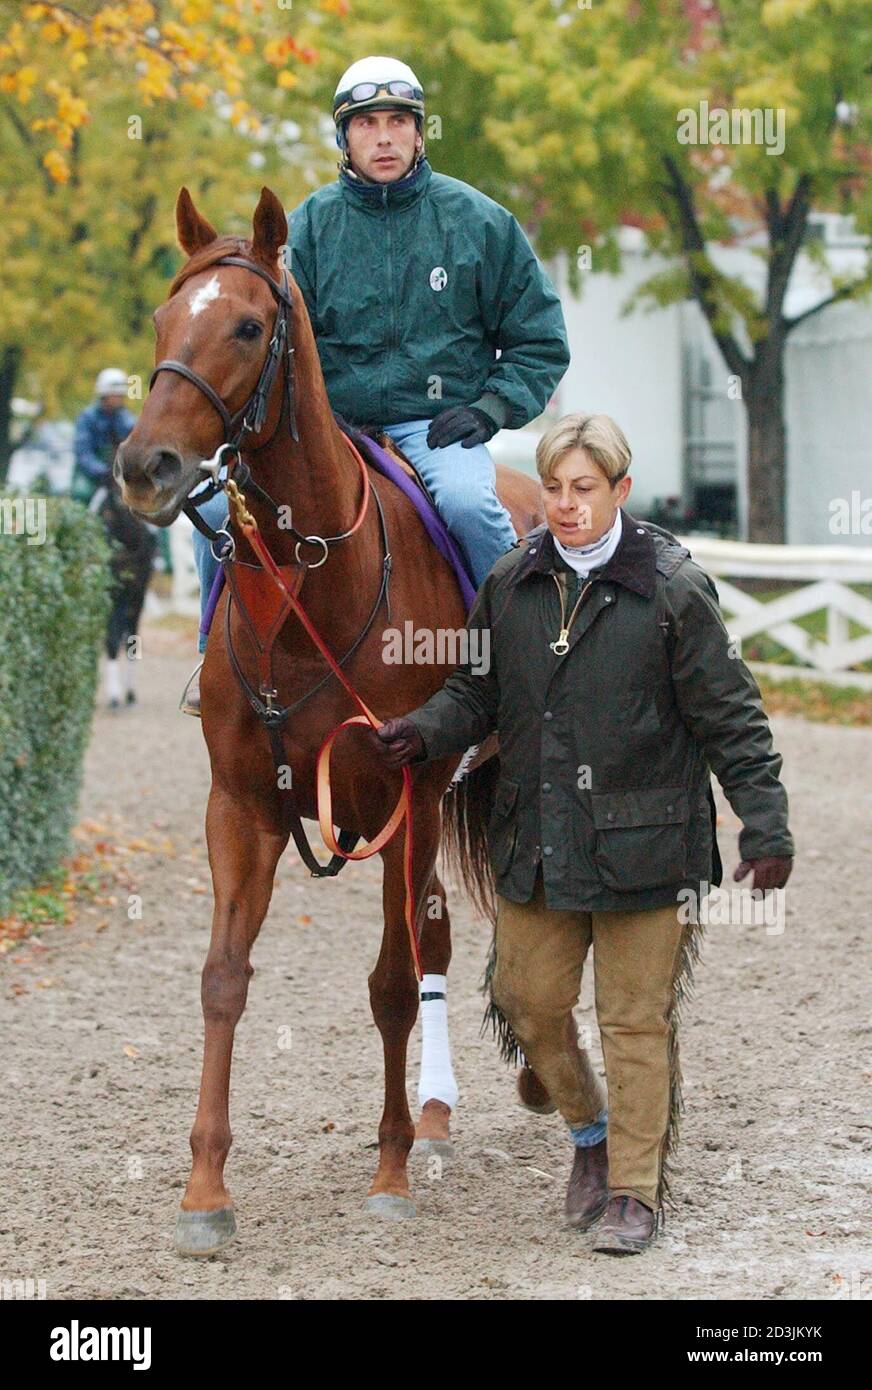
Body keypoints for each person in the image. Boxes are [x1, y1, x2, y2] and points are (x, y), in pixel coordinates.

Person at [371, 411, 794, 1255]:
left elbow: (732, 717)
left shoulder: (673, 590)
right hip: (540, 839)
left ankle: (634, 1194)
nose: (565, 506)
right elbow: (475, 695)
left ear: (620, 491)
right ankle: (590, 1135)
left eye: (584, 490)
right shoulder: (512, 581)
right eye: (555, 489)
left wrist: (765, 824)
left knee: (636, 1022)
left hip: (650, 844)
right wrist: (422, 728)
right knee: (526, 1002)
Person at [182, 54, 570, 713]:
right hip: (330, 427)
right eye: (367, 124)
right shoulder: (302, 232)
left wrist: (491, 409)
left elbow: (540, 338)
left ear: (420, 134)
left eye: (398, 122)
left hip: (437, 424)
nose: (383, 137)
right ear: (345, 140)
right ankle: (212, 665)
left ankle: (515, 664)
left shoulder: (479, 222)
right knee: (212, 510)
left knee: (474, 507)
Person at [71, 369, 136, 506]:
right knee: (81, 493)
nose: (120, 398)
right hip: (91, 474)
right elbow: (83, 453)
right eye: (116, 395)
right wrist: (102, 471)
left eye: (121, 395)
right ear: (104, 395)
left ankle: (159, 528)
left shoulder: (126, 418)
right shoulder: (87, 417)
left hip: (119, 473)